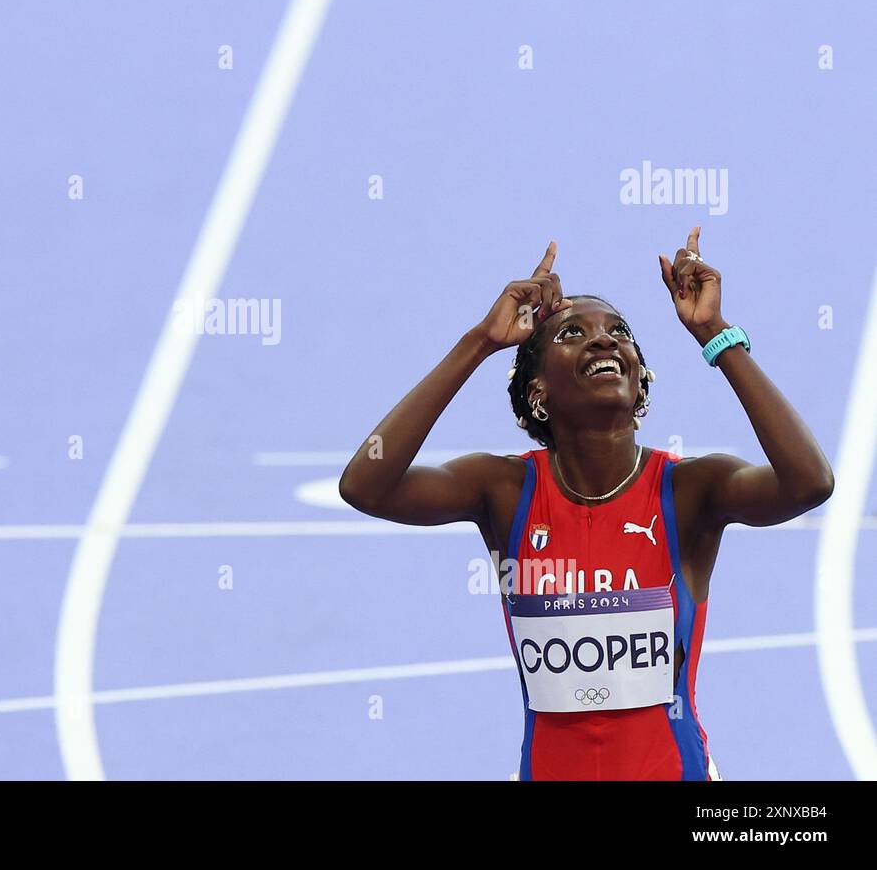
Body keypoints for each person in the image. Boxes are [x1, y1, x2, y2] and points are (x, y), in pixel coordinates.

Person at [338, 227, 835, 780]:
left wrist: (715, 334)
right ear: (538, 391)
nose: (604, 342)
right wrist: (480, 341)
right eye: (573, 333)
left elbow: (808, 482)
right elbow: (366, 486)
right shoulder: (503, 490)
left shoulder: (690, 490)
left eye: (619, 333)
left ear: (639, 383)